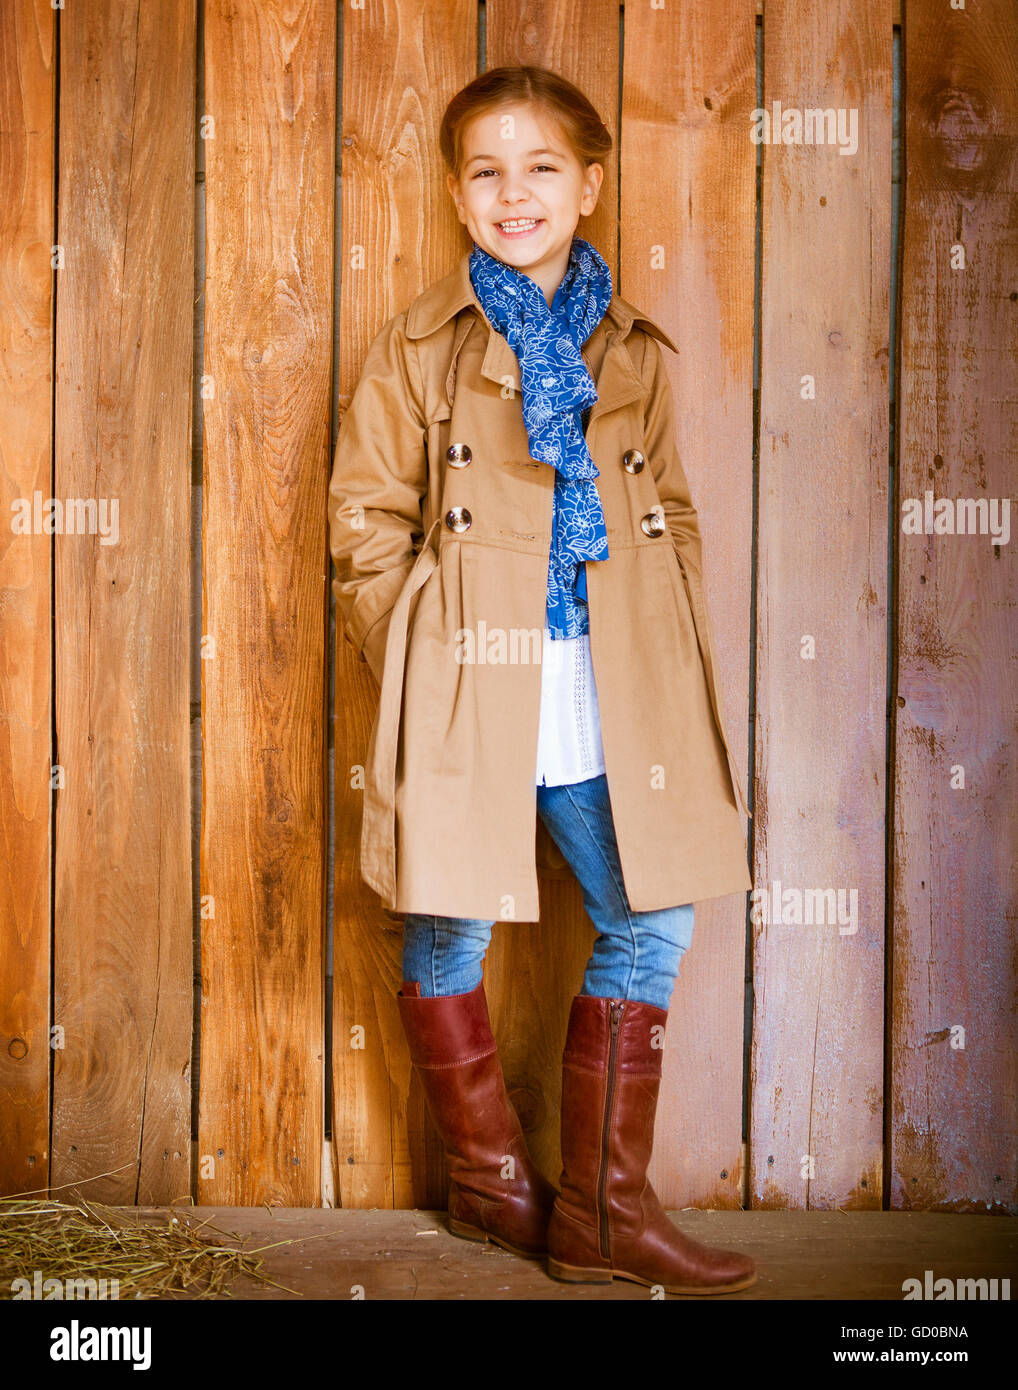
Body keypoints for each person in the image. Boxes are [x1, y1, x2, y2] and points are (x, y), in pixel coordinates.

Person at [328, 64, 755, 1295]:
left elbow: (664, 505)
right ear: (459, 198)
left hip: (605, 676)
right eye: (486, 171)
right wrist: (420, 645)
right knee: (448, 914)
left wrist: (662, 630)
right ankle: (487, 1182)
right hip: (472, 676)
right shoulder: (419, 348)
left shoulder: (635, 350)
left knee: (649, 916)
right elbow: (364, 526)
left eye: (542, 167)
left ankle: (605, 1216)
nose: (514, 194)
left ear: (590, 184)